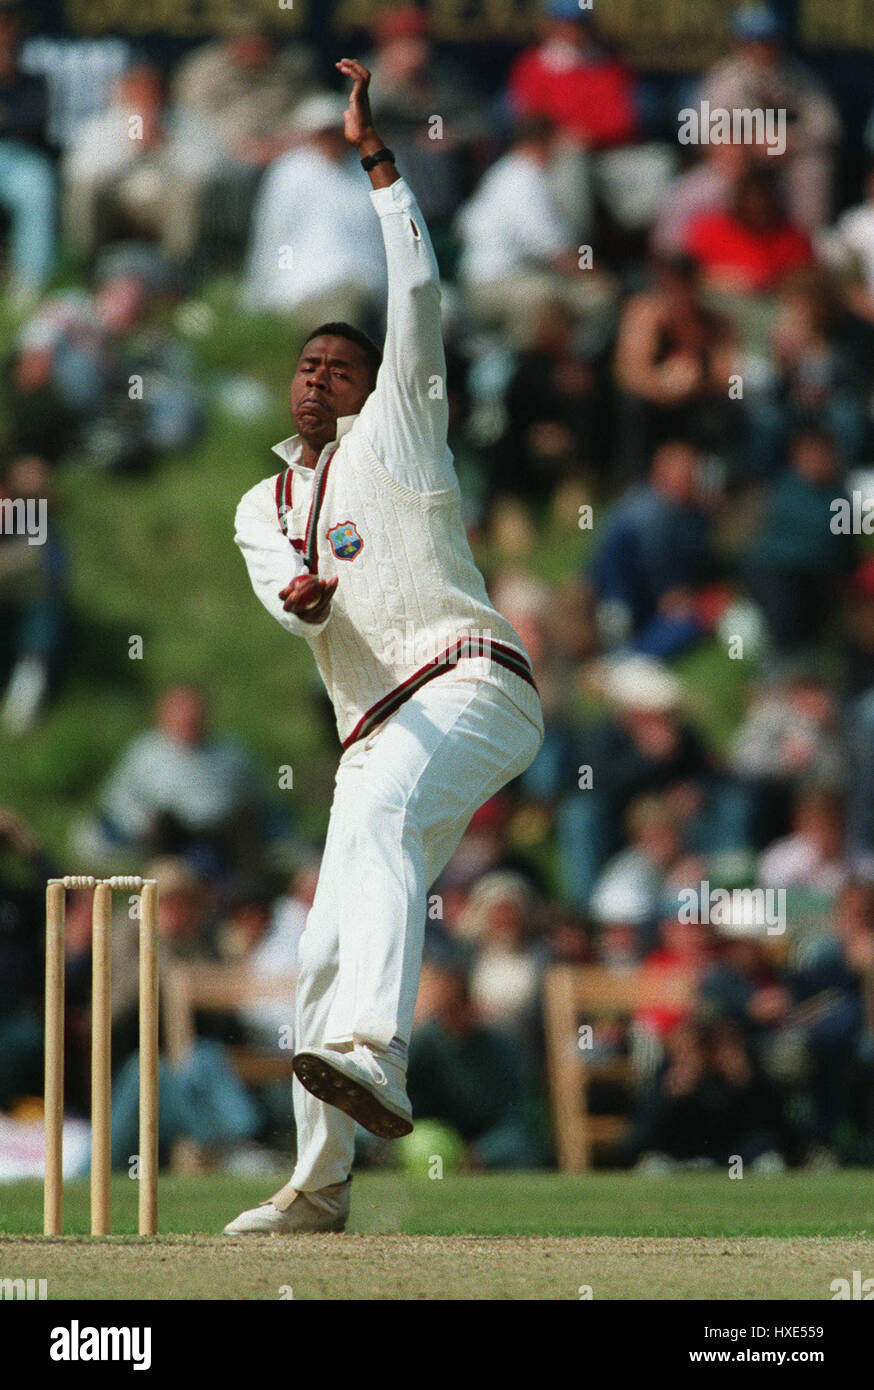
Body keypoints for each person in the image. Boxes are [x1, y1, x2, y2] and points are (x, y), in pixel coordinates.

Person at [226, 60, 543, 1235]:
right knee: (318, 945)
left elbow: (415, 289)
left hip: (472, 680)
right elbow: (278, 584)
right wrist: (301, 598)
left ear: (373, 386)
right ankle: (319, 1184)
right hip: (374, 725)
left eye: (339, 368)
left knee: (381, 814)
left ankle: (379, 1048)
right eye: (306, 366)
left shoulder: (400, 423)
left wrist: (379, 168)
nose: (318, 379)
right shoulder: (260, 504)